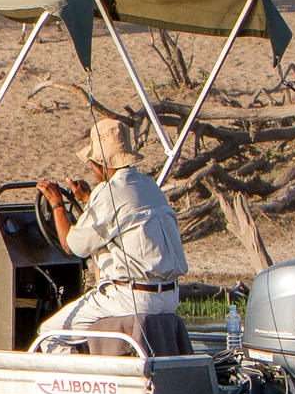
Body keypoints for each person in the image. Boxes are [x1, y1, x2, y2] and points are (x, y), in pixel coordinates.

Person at [36, 119, 187, 336]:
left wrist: (57, 204)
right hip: (170, 297)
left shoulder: (109, 194)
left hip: (132, 298)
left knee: (51, 331)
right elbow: (120, 218)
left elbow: (72, 246)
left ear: (98, 163)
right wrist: (89, 198)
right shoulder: (149, 185)